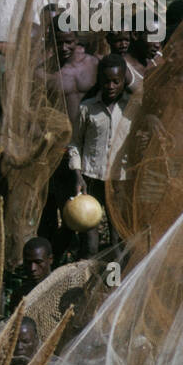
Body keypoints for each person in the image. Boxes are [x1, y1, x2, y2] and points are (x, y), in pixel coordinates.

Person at [68, 55, 132, 256]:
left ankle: (116, 282)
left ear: (123, 80)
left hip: (119, 180)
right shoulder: (87, 108)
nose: (111, 86)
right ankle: (88, 280)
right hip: (91, 178)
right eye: (106, 81)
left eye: (116, 81)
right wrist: (78, 175)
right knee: (90, 238)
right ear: (99, 80)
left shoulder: (132, 108)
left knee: (118, 238)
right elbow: (75, 143)